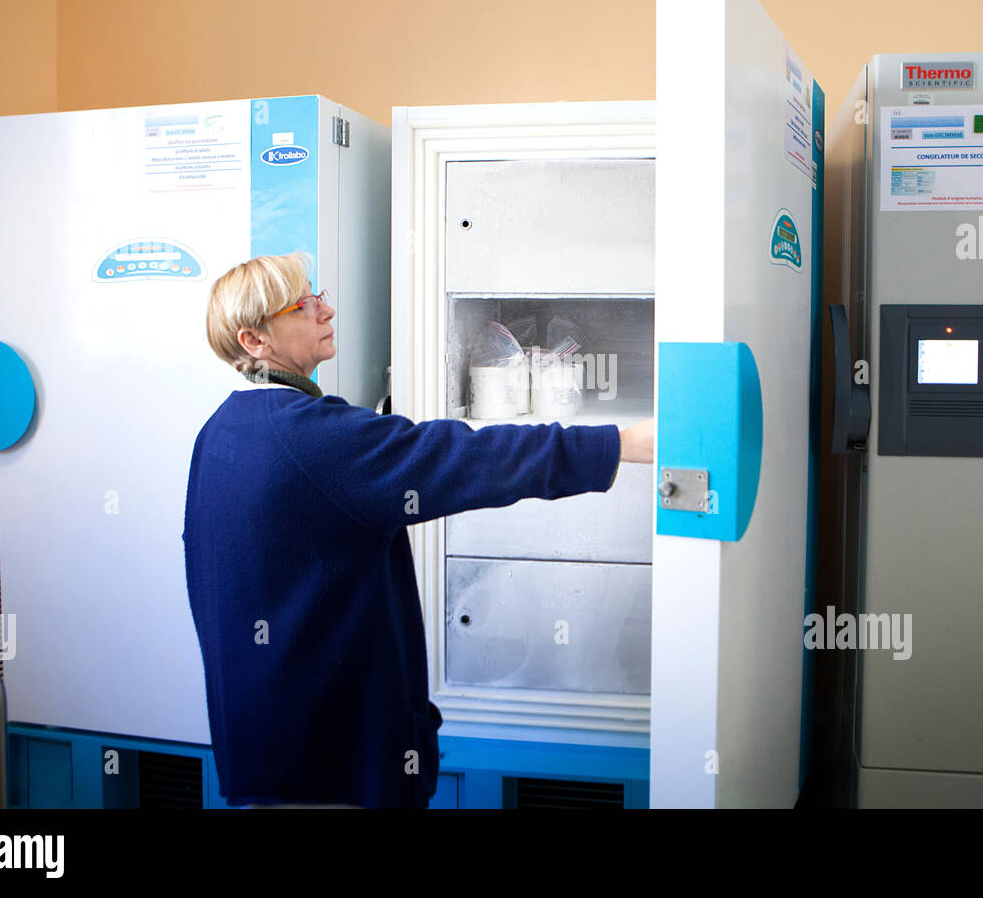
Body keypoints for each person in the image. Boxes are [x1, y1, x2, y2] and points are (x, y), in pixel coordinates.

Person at [182, 251, 655, 808]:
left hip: (263, 744)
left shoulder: (220, 430)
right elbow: (466, 456)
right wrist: (620, 443)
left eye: (319, 295)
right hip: (338, 763)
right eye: (305, 304)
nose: (326, 309)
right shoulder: (316, 436)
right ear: (255, 340)